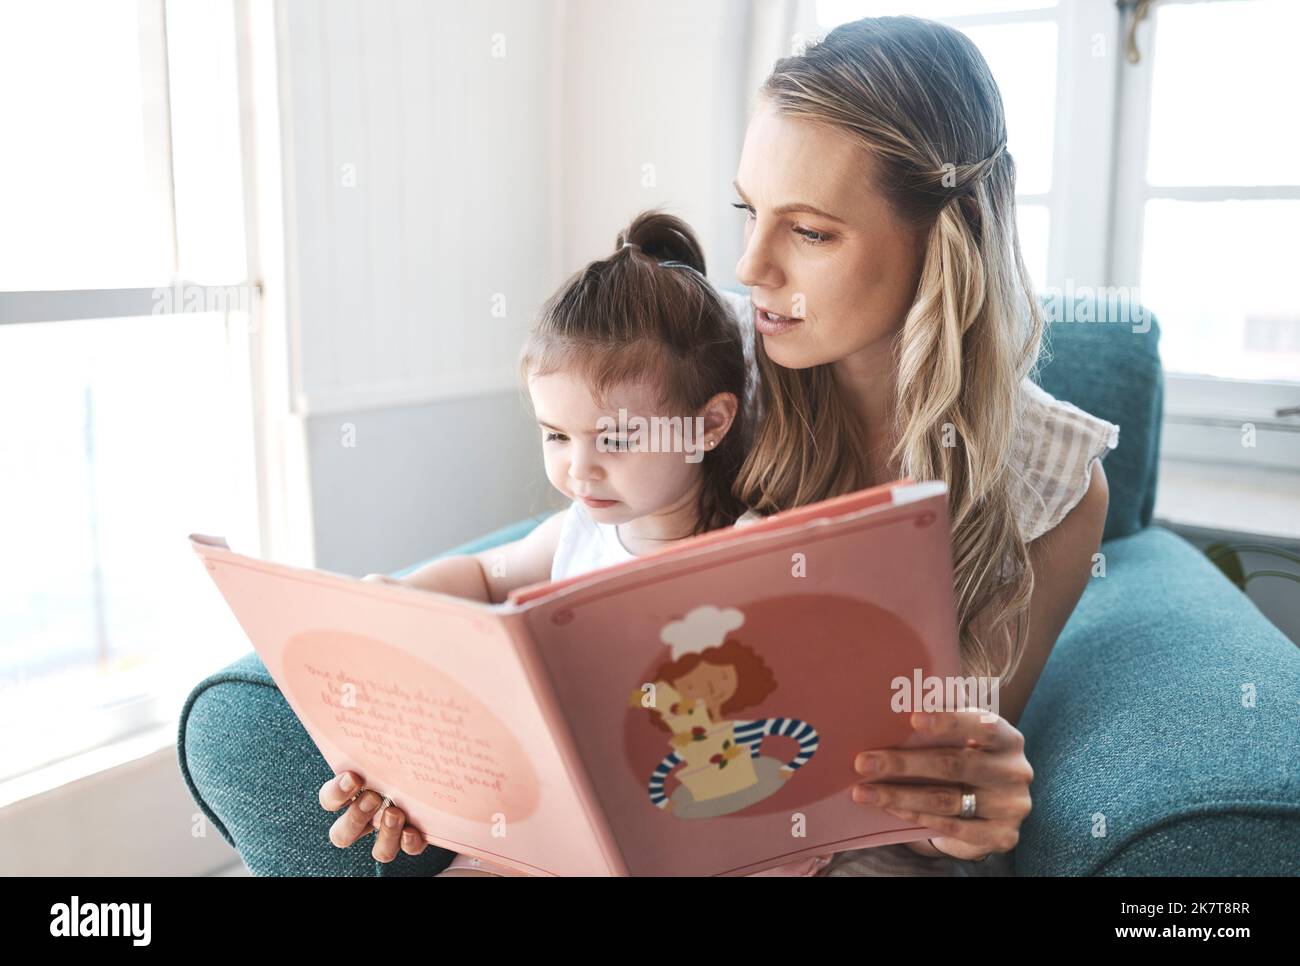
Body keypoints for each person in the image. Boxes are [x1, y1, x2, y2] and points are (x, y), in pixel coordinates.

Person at [323, 14, 1119, 877]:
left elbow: (943, 773)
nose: (750, 265)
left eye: (810, 231)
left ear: (947, 233)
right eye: (749, 212)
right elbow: (570, 551)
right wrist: (412, 743)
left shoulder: (1051, 483)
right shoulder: (710, 362)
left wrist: (969, 795)